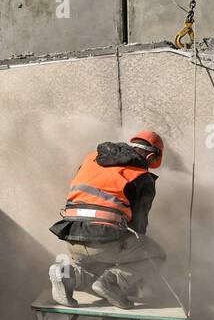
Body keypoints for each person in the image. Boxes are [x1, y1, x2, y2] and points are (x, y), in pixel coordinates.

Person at [47, 131, 164, 309]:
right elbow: (139, 227)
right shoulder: (141, 176)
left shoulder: (92, 158)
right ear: (150, 156)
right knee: (157, 254)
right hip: (104, 240)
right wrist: (130, 271)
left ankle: (67, 274)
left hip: (71, 235)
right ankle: (114, 282)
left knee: (97, 276)